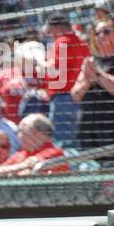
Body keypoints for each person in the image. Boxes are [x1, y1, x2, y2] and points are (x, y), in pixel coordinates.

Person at [70, 21, 114, 151]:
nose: (101, 35)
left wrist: (97, 74)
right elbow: (75, 95)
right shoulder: (90, 61)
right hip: (91, 130)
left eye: (106, 31)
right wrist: (87, 79)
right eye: (97, 33)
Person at [43, 13, 90, 148]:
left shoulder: (62, 41)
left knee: (64, 145)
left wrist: (38, 62)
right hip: (80, 96)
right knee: (77, 144)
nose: (50, 33)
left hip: (64, 99)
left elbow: (54, 71)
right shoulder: (81, 42)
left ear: (57, 28)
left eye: (51, 29)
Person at [0, 113, 68, 177]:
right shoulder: (19, 155)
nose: (18, 136)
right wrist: (22, 166)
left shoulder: (54, 153)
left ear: (40, 134)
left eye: (22, 131)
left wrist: (10, 172)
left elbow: (33, 168)